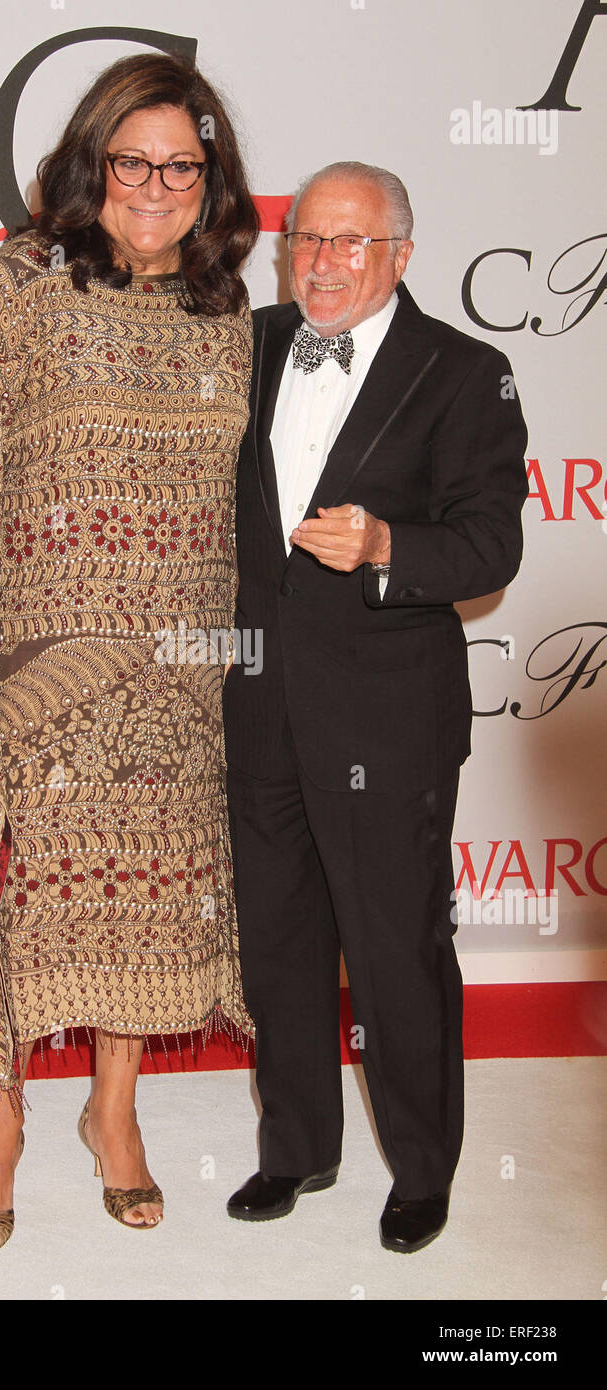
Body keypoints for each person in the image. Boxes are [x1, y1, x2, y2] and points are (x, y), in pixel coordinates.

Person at [0, 52, 258, 1247]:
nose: (154, 187)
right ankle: (0, 1118)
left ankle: (115, 1114)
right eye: (130, 161)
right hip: (44, 669)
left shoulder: (229, 316)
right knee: (25, 903)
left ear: (210, 180)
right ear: (89, 163)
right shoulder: (26, 282)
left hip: (188, 671)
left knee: (154, 904)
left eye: (181, 166)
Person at [222, 161, 528, 1250]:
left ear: (401, 253)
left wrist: (390, 544)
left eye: (352, 242)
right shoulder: (244, 344)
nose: (323, 262)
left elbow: (493, 543)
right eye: (307, 238)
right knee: (279, 940)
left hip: (387, 717)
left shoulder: (464, 371)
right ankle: (296, 1148)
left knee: (396, 945)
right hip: (257, 699)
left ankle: (423, 1169)